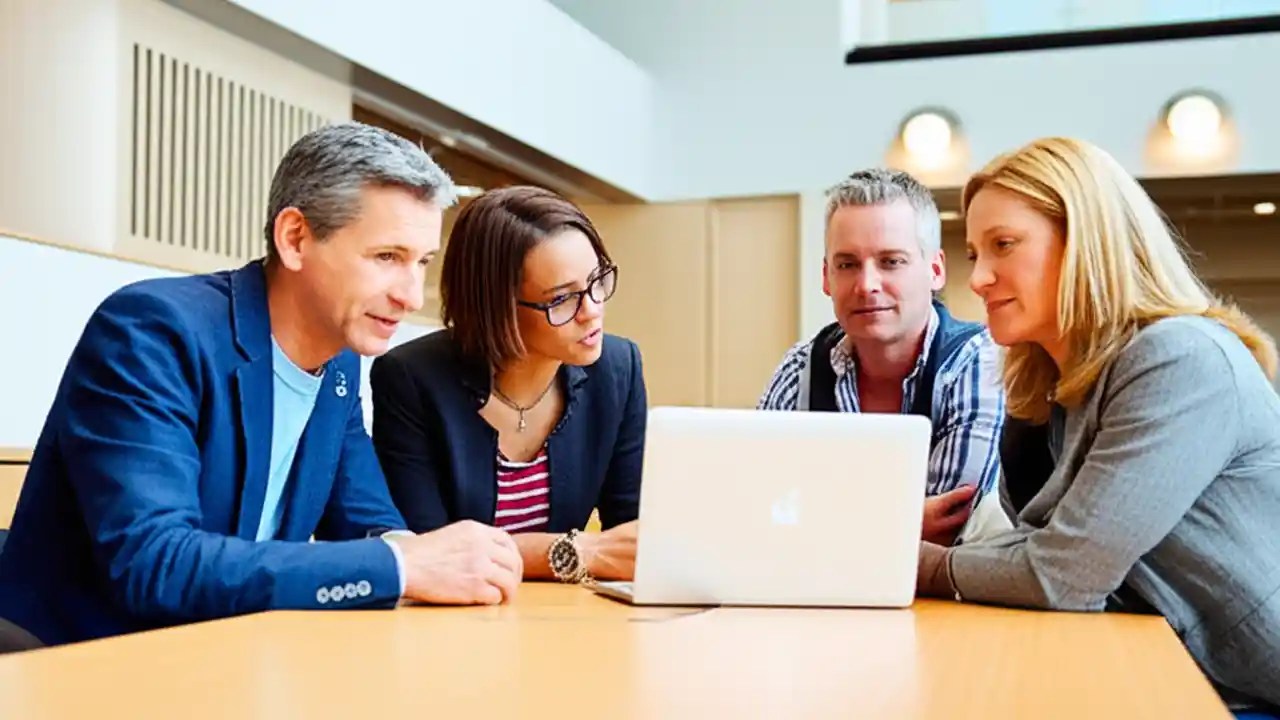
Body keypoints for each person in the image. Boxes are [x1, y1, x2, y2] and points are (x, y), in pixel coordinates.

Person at [0, 122, 524, 649]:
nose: (412, 297)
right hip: (85, 661)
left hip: (232, 657)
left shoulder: (338, 364)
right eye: (387, 257)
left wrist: (425, 558)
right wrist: (402, 564)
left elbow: (367, 523)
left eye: (423, 262)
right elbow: (153, 563)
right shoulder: (152, 330)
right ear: (295, 238)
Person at [917, 136, 1280, 716]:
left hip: (1250, 691)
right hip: (1166, 675)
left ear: (1087, 241)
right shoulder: (1048, 388)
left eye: (1003, 245)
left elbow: (1064, 574)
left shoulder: (1179, 358)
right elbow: (1040, 551)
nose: (980, 278)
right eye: (973, 255)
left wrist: (922, 565)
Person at [370, 186, 645, 584]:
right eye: (562, 299)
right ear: (496, 307)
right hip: (449, 622)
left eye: (598, 280)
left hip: (562, 619)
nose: (592, 311)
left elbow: (633, 539)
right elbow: (426, 549)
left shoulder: (618, 370)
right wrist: (573, 551)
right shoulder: (411, 378)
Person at [759, 168, 1006, 546]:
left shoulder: (977, 362)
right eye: (847, 264)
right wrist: (902, 520)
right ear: (827, 277)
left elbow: (946, 527)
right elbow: (758, 509)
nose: (866, 285)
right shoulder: (801, 368)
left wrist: (809, 516)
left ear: (935, 270)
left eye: (891, 261)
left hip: (940, 603)